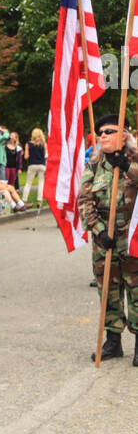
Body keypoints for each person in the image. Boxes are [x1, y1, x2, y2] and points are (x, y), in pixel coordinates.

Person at [77, 113, 138, 363]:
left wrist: (128, 167)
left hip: (132, 238)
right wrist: (99, 230)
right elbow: (84, 200)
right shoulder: (93, 165)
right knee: (108, 293)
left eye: (109, 131)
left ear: (123, 135)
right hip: (106, 240)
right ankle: (113, 341)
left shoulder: (134, 160)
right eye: (100, 132)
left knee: (136, 292)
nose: (103, 135)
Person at [23, 128, 47, 205]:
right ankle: (39, 201)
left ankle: (24, 200)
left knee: (28, 183)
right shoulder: (43, 144)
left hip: (32, 165)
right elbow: (46, 155)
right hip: (41, 165)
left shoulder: (28, 144)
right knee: (41, 183)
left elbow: (26, 157)